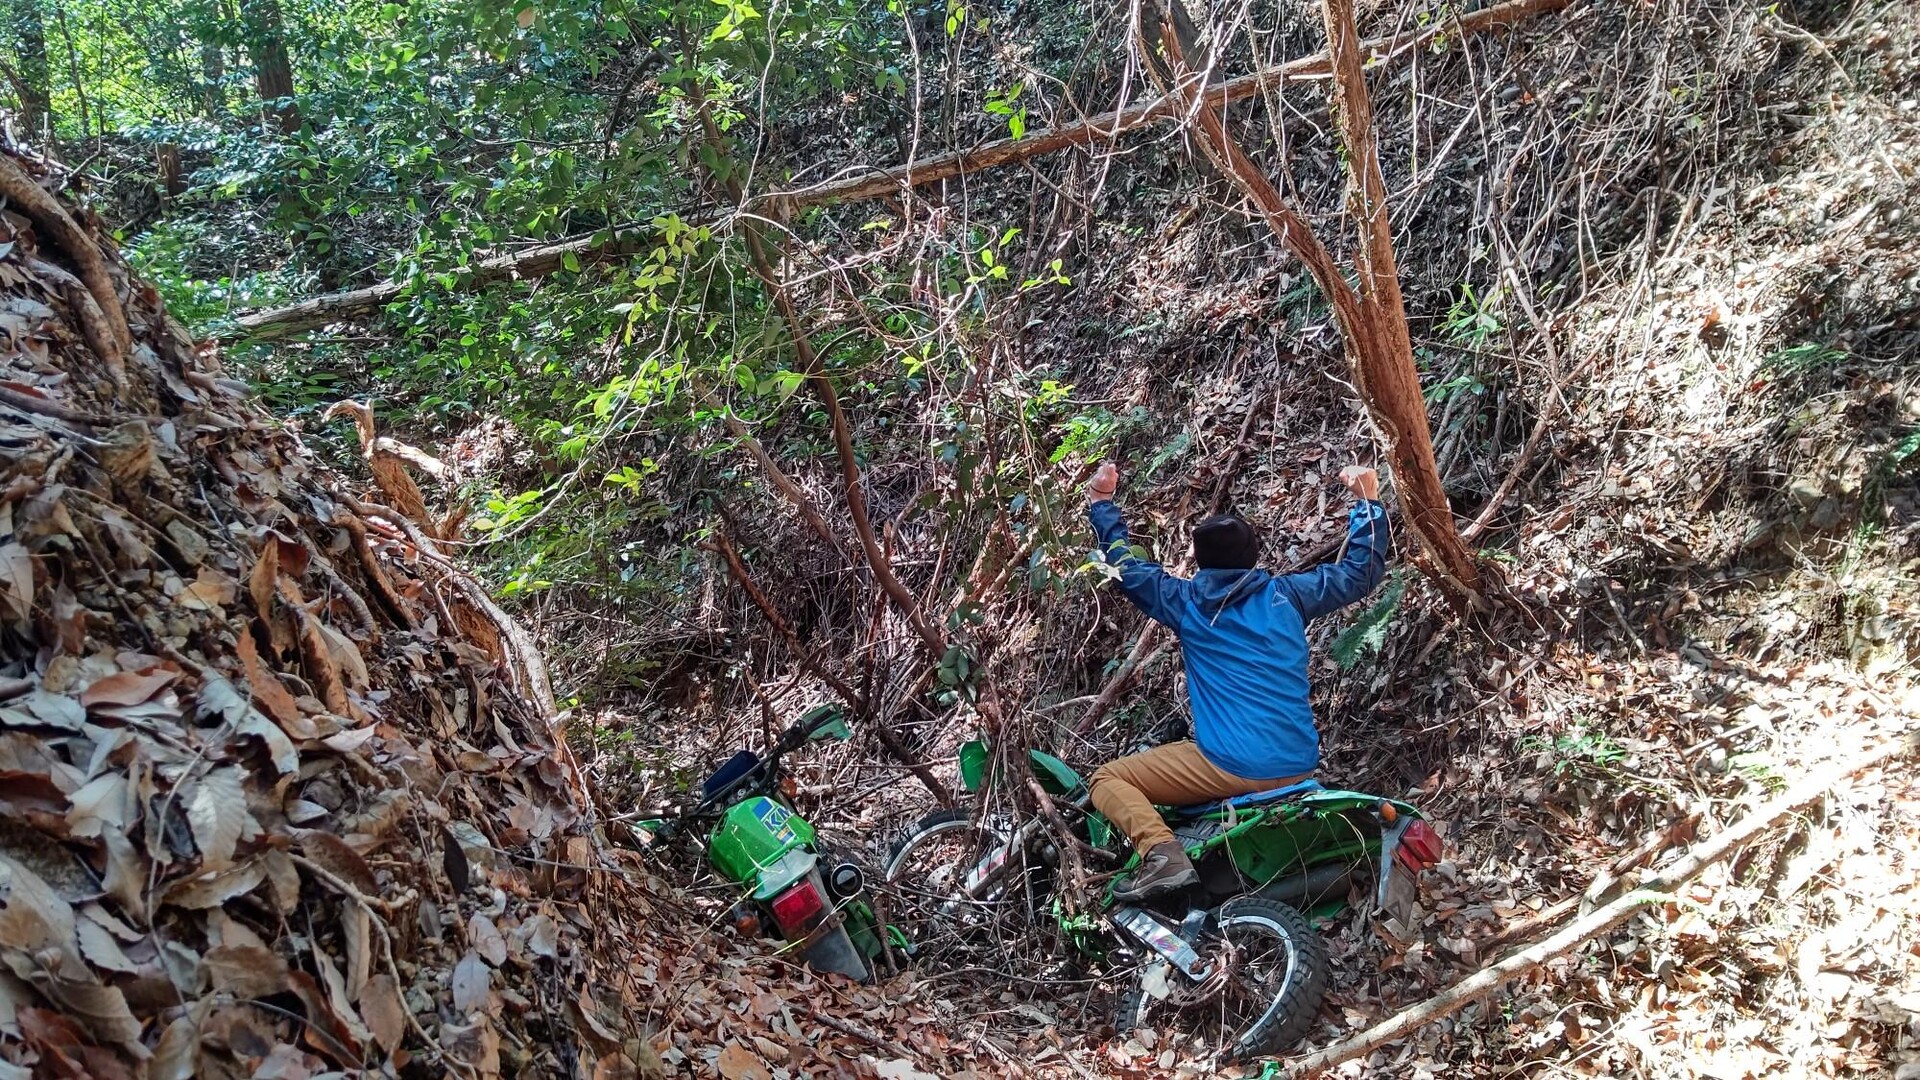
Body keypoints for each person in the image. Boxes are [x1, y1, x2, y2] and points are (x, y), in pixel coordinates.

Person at [1084, 460, 1389, 902]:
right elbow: (1360, 573)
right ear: (1253, 557)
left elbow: (1125, 567)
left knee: (1107, 778)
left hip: (1231, 764)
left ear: (1201, 564)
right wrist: (1367, 500)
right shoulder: (1288, 596)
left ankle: (1163, 855)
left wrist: (1102, 504)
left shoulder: (1185, 602)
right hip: (1299, 761)